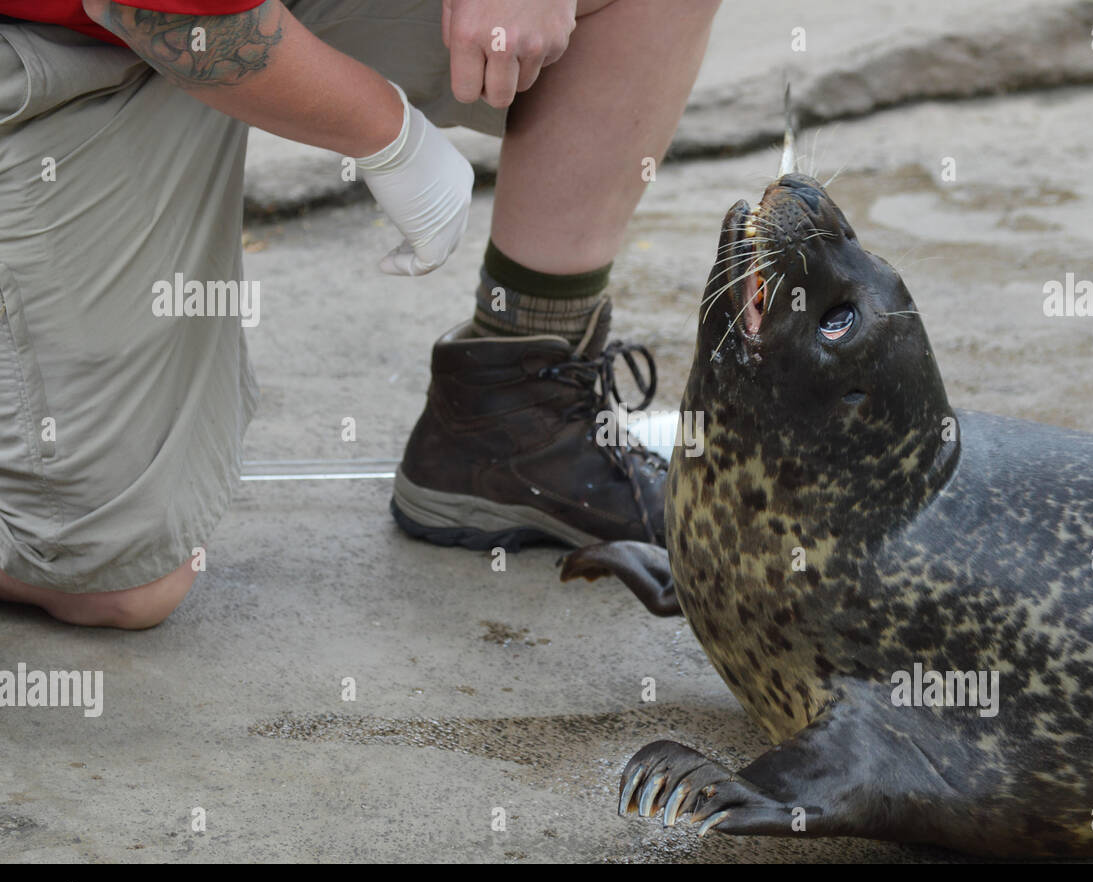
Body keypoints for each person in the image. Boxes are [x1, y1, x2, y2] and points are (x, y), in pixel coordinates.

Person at [0, 0, 720, 628]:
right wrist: (387, 135)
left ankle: (513, 420)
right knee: (113, 572)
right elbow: (172, 16)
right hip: (56, 45)